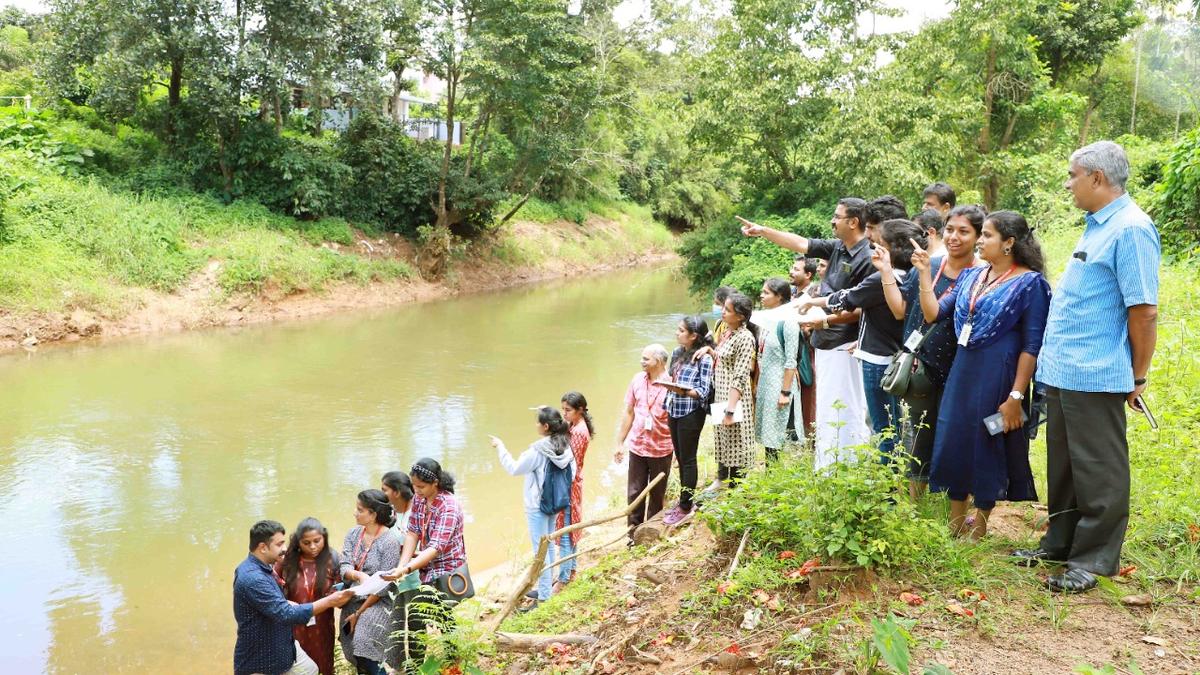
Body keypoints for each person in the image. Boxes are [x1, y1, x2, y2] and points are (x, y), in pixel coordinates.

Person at [1013, 141, 1160, 594]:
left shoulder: (1131, 229)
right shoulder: (1096, 226)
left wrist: (1136, 377)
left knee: (1098, 469)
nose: (1068, 183)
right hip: (1063, 370)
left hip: (1095, 372)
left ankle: (1093, 559)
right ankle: (1059, 542)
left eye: (1073, 175)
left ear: (1097, 178)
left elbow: (1144, 311)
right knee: (1065, 467)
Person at [915, 211, 1050, 540]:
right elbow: (934, 313)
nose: (980, 240)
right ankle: (956, 523)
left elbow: (1031, 346)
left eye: (987, 235)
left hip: (999, 375)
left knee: (987, 443)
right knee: (953, 440)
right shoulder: (971, 277)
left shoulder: (1030, 284)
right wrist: (922, 275)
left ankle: (981, 528)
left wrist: (1016, 397)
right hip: (963, 370)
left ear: (1008, 243)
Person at [738, 200, 874, 467]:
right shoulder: (837, 248)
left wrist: (822, 321)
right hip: (824, 341)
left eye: (837, 217)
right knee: (826, 410)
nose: (832, 221)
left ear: (853, 222)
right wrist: (763, 231)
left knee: (847, 407)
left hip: (845, 345)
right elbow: (801, 244)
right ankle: (827, 466)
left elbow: (865, 307)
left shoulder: (866, 257)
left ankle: (849, 465)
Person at [880, 205, 985, 499]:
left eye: (964, 231)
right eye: (950, 229)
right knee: (919, 433)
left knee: (958, 434)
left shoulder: (982, 275)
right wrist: (887, 271)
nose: (954, 237)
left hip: (962, 367)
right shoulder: (929, 266)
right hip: (923, 366)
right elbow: (901, 311)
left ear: (978, 236)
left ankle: (959, 499)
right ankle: (915, 503)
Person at [799, 198, 909, 466]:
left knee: (883, 425)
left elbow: (852, 299)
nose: (869, 237)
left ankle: (884, 483)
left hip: (878, 356)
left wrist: (818, 309)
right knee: (882, 421)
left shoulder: (885, 273)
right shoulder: (890, 272)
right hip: (869, 349)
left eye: (872, 230)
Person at [234, 520, 352, 675]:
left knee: (312, 670)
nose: (284, 548)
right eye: (279, 544)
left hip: (283, 648)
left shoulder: (262, 568)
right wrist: (329, 601)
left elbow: (274, 601)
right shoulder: (254, 578)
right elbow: (286, 613)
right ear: (263, 548)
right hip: (262, 659)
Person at [384, 458, 467, 668]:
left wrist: (408, 568)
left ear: (435, 483)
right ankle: (418, 665)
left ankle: (454, 661)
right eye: (414, 485)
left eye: (421, 487)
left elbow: (436, 547)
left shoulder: (448, 506)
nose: (416, 491)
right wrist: (402, 566)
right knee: (422, 614)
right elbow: (413, 532)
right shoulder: (420, 501)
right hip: (426, 569)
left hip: (447, 568)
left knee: (444, 617)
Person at [494, 407, 576, 609]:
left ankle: (545, 597)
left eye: (538, 422)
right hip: (555, 503)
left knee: (540, 552)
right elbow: (572, 474)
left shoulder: (537, 451)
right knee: (547, 546)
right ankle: (545, 587)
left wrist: (500, 447)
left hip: (537, 506)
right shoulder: (565, 446)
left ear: (546, 426)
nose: (535, 425)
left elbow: (514, 468)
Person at [659, 317, 715, 526]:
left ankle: (685, 506)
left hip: (691, 412)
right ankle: (684, 499)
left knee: (689, 459)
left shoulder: (705, 359)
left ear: (694, 336)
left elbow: (703, 391)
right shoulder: (677, 353)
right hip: (674, 408)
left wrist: (679, 390)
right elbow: (673, 378)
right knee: (680, 457)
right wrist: (671, 387)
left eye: (681, 330)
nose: (677, 333)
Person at [338, 490, 401, 675]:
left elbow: (384, 585)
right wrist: (358, 576)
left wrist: (358, 613)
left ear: (373, 515)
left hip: (379, 600)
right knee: (351, 644)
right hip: (353, 596)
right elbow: (344, 565)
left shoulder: (389, 541)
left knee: (363, 639)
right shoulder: (353, 534)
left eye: (360, 510)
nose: (354, 513)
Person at [614, 344, 675, 533]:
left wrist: (679, 453)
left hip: (661, 449)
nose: (642, 362)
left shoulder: (672, 383)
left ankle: (649, 533)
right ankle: (632, 533)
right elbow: (629, 413)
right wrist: (619, 443)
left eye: (646, 359)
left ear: (658, 361)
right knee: (634, 493)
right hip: (638, 447)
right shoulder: (637, 380)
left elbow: (676, 420)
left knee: (657, 495)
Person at [273, 518, 343, 675]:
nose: (312, 547)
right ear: (298, 542)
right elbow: (272, 589)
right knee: (298, 665)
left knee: (324, 662)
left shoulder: (332, 559)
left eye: (317, 541)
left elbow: (339, 589)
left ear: (324, 537)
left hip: (322, 623)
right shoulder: (286, 561)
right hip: (294, 624)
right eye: (306, 543)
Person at [710, 293, 758, 486]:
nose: (722, 311)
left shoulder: (745, 338)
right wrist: (709, 351)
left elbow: (739, 376)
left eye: (727, 310)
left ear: (740, 316)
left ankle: (736, 492)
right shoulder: (726, 333)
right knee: (724, 443)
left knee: (737, 447)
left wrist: (730, 410)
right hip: (721, 395)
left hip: (735, 400)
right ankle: (722, 483)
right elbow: (724, 360)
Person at [754, 278, 801, 462]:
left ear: (779, 297)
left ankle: (777, 477)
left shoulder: (788, 322)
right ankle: (770, 476)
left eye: (766, 293)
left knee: (778, 434)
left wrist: (785, 392)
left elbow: (791, 361)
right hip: (767, 383)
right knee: (768, 433)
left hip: (781, 384)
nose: (761, 295)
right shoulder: (767, 320)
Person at [555, 391, 594, 591]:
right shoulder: (573, 425)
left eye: (568, 410)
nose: (564, 414)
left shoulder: (579, 432)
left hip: (569, 486)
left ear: (580, 410)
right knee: (570, 527)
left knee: (566, 531)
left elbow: (573, 464)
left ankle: (562, 579)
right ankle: (570, 570)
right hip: (570, 484)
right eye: (563, 409)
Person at [787, 257, 820, 441]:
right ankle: (794, 433)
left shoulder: (814, 295)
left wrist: (806, 329)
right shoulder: (791, 293)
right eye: (792, 268)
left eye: (796, 269)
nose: (792, 272)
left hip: (808, 351)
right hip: (791, 351)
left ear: (808, 274)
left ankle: (810, 435)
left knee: (809, 392)